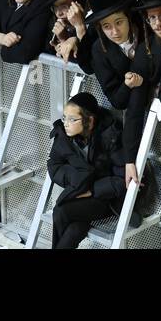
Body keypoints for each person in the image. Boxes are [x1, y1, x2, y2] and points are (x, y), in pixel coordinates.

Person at [46, 92, 128, 249]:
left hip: (105, 200)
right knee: (75, 229)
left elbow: (122, 180)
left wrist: (91, 189)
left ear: (89, 121)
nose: (66, 124)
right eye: (64, 118)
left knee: (61, 211)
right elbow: (54, 165)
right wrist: (78, 182)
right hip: (77, 194)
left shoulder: (110, 136)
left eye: (72, 119)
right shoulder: (63, 134)